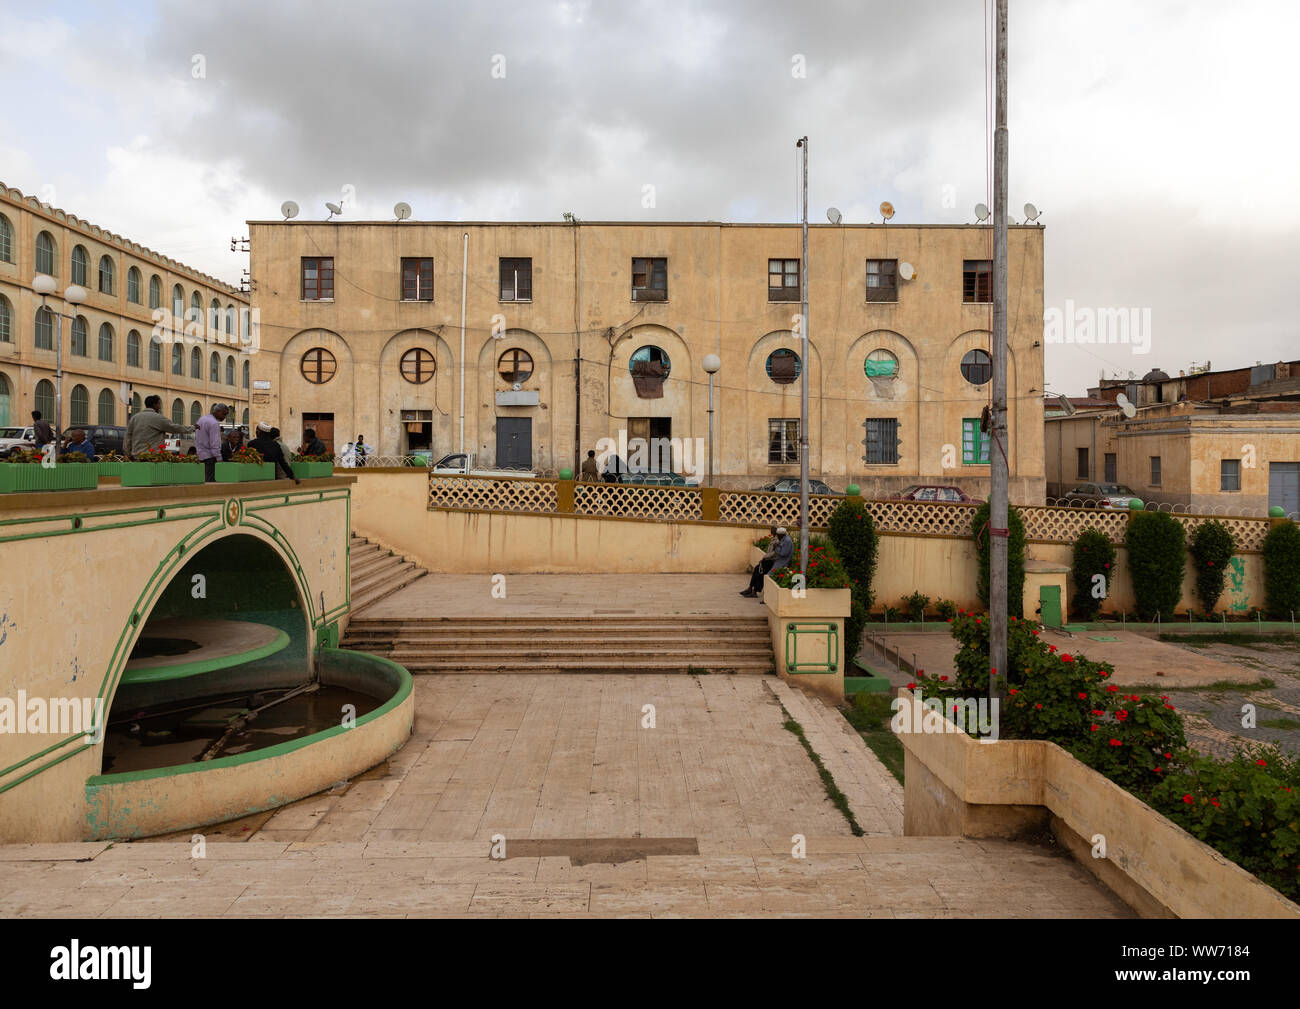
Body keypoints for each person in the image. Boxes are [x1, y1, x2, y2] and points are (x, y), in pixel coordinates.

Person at [125, 395, 192, 458]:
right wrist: (192, 428)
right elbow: (175, 428)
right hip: (153, 458)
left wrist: (128, 454)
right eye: (159, 404)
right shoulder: (158, 418)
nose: (159, 407)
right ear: (154, 405)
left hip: (136, 457)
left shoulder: (134, 418)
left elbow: (127, 438)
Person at [741, 526, 792, 597]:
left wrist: (765, 557)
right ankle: (750, 588)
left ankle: (755, 591)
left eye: (773, 530)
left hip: (771, 560)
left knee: (761, 575)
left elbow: (777, 552)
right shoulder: (777, 539)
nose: (771, 531)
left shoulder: (779, 540)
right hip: (768, 559)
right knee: (756, 570)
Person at [195, 403, 228, 482]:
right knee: (210, 482)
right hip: (210, 457)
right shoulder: (214, 423)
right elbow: (214, 444)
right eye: (224, 414)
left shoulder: (202, 419)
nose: (224, 417)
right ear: (217, 411)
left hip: (200, 456)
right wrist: (219, 458)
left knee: (202, 480)